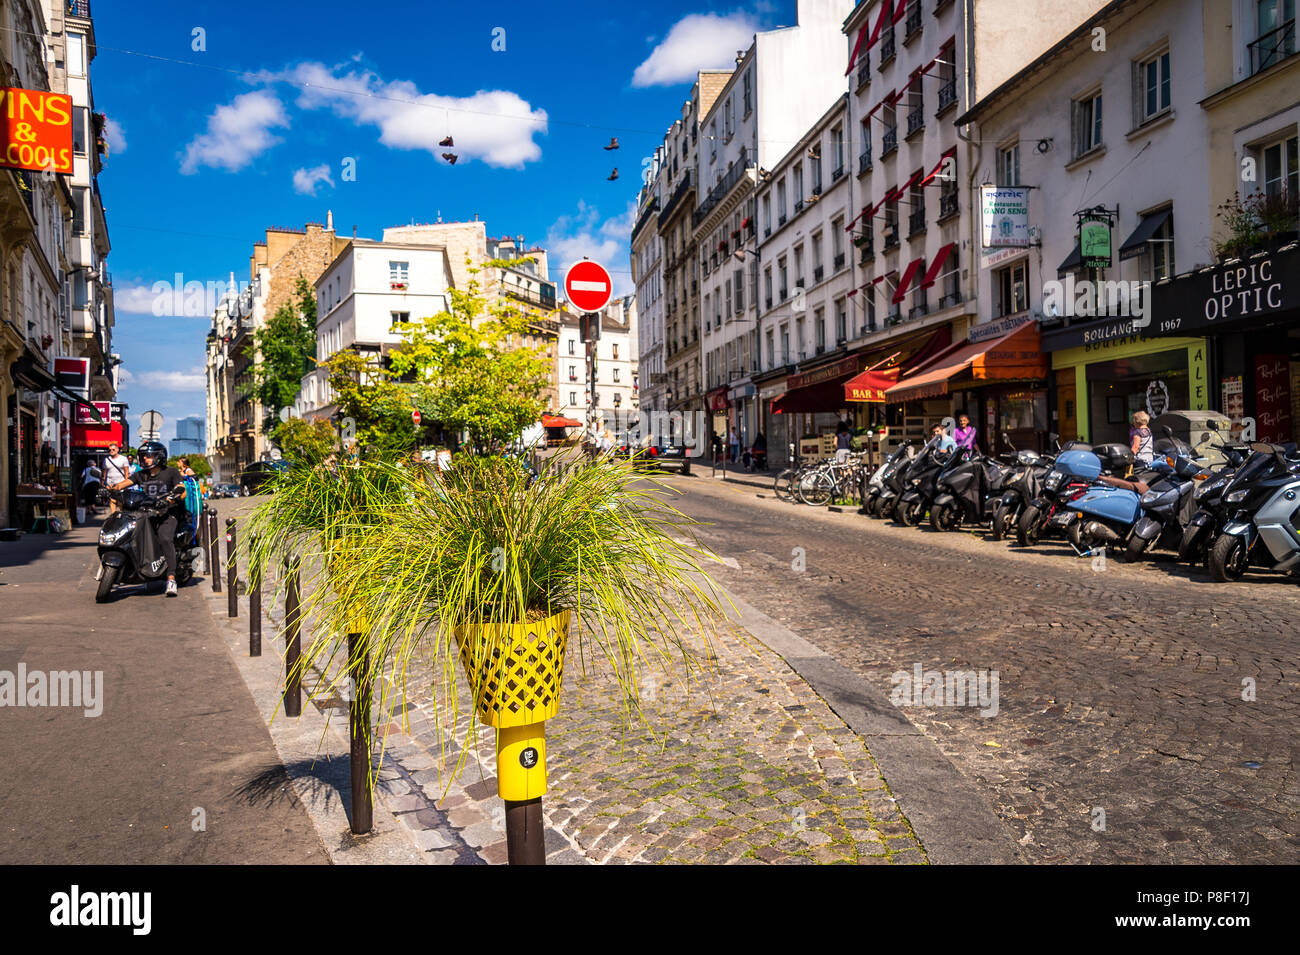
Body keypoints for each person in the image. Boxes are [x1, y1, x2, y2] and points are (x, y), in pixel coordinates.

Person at [111, 440, 185, 597]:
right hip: (144, 514)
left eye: (148, 456)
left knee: (165, 539)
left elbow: (182, 490)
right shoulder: (140, 475)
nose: (145, 459)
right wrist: (110, 489)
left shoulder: (171, 472)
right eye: (143, 456)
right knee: (130, 535)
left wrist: (169, 499)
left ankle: (171, 578)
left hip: (167, 513)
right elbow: (122, 484)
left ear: (159, 457)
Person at [102, 443, 130, 513]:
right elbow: (104, 472)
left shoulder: (123, 459)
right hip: (110, 483)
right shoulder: (106, 459)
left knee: (120, 501)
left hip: (121, 483)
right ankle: (113, 516)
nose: (111, 451)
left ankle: (121, 514)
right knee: (112, 500)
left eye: (113, 449)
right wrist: (103, 482)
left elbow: (126, 471)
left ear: (117, 450)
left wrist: (126, 482)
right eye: (110, 450)